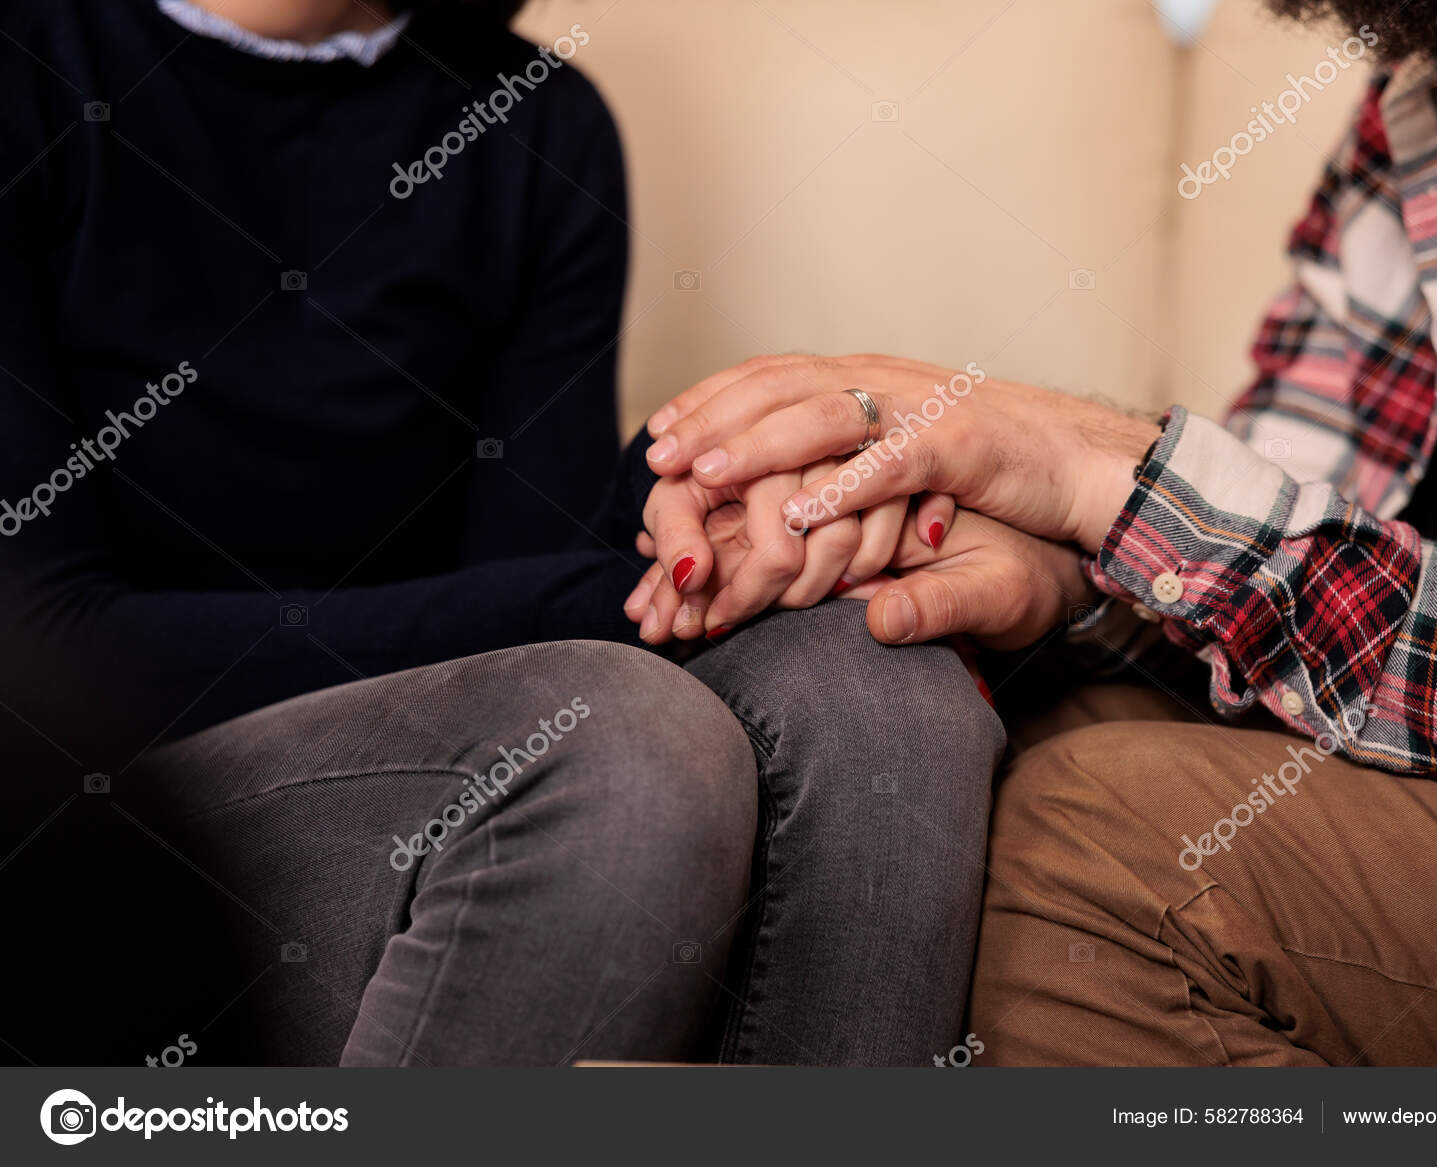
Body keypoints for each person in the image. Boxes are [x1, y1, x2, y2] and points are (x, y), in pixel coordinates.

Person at [0, 0, 1002, 1066]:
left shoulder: (534, 121)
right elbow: (51, 651)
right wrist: (628, 589)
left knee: (883, 674)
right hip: (102, 820)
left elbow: (519, 579)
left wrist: (714, 494)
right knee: (620, 740)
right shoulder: (32, 69)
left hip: (416, 753)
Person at [635, 0, 1437, 1064]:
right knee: (969, 720)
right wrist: (1052, 572)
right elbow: (1311, 532)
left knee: (1106, 839)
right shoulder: (1431, 104)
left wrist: (1094, 465)